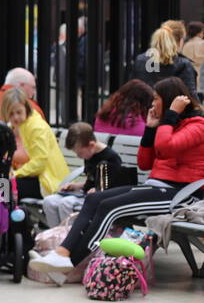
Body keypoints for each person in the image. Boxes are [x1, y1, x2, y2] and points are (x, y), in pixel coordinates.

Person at [33, 77, 204, 271]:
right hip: (157, 187)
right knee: (94, 199)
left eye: (156, 99)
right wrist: (150, 129)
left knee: (109, 207)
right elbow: (144, 163)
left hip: (180, 195)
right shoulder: (167, 127)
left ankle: (72, 263)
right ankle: (62, 253)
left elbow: (167, 148)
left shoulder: (197, 126)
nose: (152, 103)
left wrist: (170, 116)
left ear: (170, 100)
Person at [39, 123, 125, 228]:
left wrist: (98, 190)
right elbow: (92, 180)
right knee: (49, 201)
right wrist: (76, 186)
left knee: (65, 203)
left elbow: (115, 185)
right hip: (84, 195)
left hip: (101, 198)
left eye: (79, 153)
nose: (79, 156)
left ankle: (69, 240)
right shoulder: (89, 154)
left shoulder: (111, 159)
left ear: (92, 145)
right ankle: (56, 236)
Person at [0, 87, 67, 199]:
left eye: (19, 112)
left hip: (46, 181)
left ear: (26, 108)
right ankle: (3, 215)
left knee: (3, 188)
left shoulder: (36, 127)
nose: (15, 117)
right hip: (29, 177)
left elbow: (39, 163)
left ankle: (6, 215)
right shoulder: (12, 127)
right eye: (11, 114)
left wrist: (16, 174)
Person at [130, 24, 197, 92]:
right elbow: (190, 92)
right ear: (174, 42)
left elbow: (132, 86)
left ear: (154, 40)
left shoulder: (140, 59)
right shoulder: (183, 63)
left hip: (145, 101)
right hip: (172, 102)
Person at [182, 22, 204, 93]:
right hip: (201, 77)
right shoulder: (202, 43)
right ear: (199, 32)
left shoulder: (185, 44)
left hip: (188, 76)